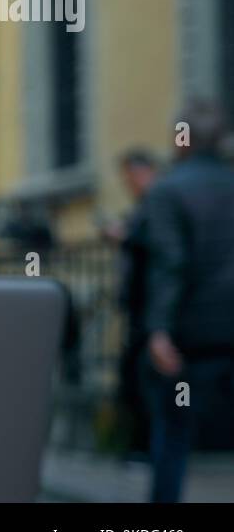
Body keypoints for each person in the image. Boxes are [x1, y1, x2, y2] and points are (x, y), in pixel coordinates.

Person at [139, 100, 234, 502]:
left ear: (182, 139)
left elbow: (169, 263)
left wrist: (158, 329)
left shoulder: (168, 190)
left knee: (174, 436)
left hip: (191, 339)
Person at [111, 148, 158, 456]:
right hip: (142, 306)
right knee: (133, 377)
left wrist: (124, 237)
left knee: (143, 378)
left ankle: (145, 447)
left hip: (151, 306)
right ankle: (139, 446)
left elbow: (156, 249)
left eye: (131, 177)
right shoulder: (148, 206)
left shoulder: (160, 205)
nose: (129, 184)